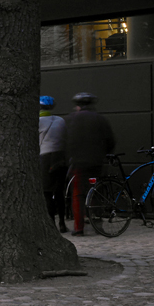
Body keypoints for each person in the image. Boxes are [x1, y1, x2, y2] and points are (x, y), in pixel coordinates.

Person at [62, 91, 115, 236]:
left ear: (77, 106)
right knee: (96, 191)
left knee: (78, 194)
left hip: (78, 165)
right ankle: (98, 224)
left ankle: (78, 227)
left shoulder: (69, 119)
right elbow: (110, 141)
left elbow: (64, 141)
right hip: (96, 164)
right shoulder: (100, 119)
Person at [37, 96, 68, 232]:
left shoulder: (37, 122)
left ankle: (51, 225)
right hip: (60, 157)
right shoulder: (60, 120)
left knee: (47, 192)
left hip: (45, 158)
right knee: (59, 192)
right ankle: (62, 222)